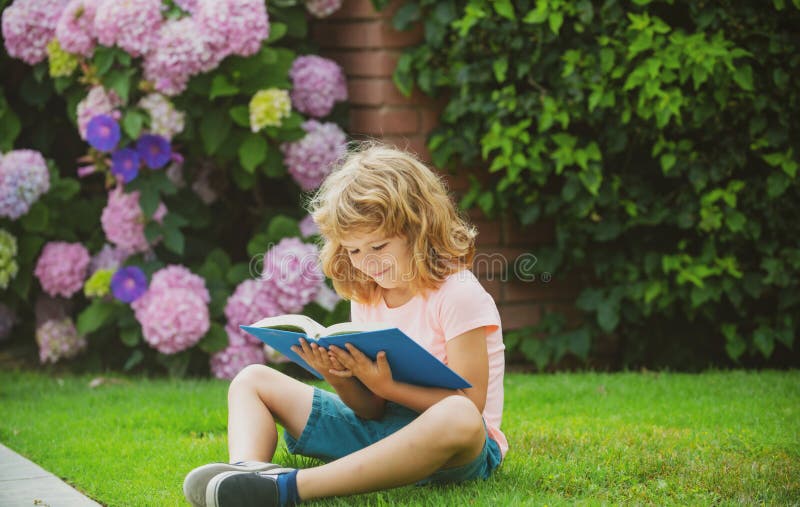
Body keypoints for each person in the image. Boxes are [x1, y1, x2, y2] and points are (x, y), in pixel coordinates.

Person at [183, 144, 508, 507]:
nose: (367, 262)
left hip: (452, 448)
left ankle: (289, 488)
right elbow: (370, 410)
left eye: (378, 246)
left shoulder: (458, 294)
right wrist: (341, 378)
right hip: (380, 434)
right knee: (252, 380)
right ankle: (244, 476)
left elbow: (471, 406)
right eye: (354, 251)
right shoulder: (367, 295)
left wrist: (389, 386)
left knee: (459, 415)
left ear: (419, 228)